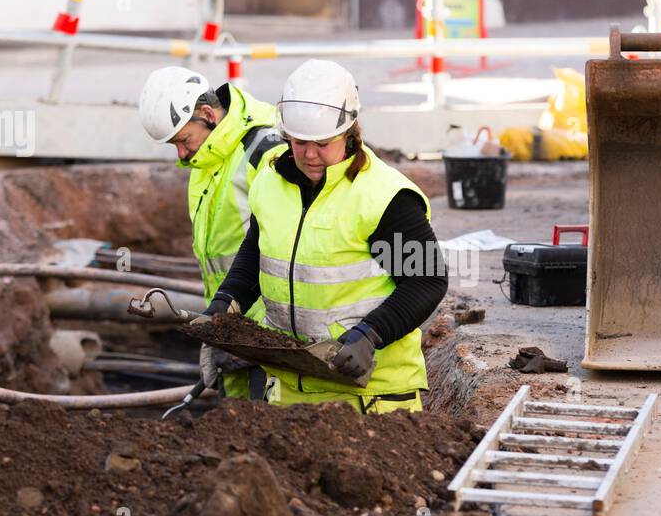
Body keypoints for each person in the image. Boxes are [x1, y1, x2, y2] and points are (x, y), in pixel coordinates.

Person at [210, 59, 447, 413]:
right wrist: (224, 306)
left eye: (322, 143)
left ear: (349, 131)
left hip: (373, 399)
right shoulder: (271, 181)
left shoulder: (383, 197)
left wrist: (371, 334)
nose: (309, 154)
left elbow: (427, 281)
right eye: (299, 141)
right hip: (290, 392)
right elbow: (256, 251)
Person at [138, 66, 285, 398]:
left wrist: (259, 336)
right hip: (232, 326)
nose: (181, 154)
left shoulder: (265, 150)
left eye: (183, 140)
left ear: (208, 114)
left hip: (269, 336)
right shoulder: (208, 158)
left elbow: (291, 248)